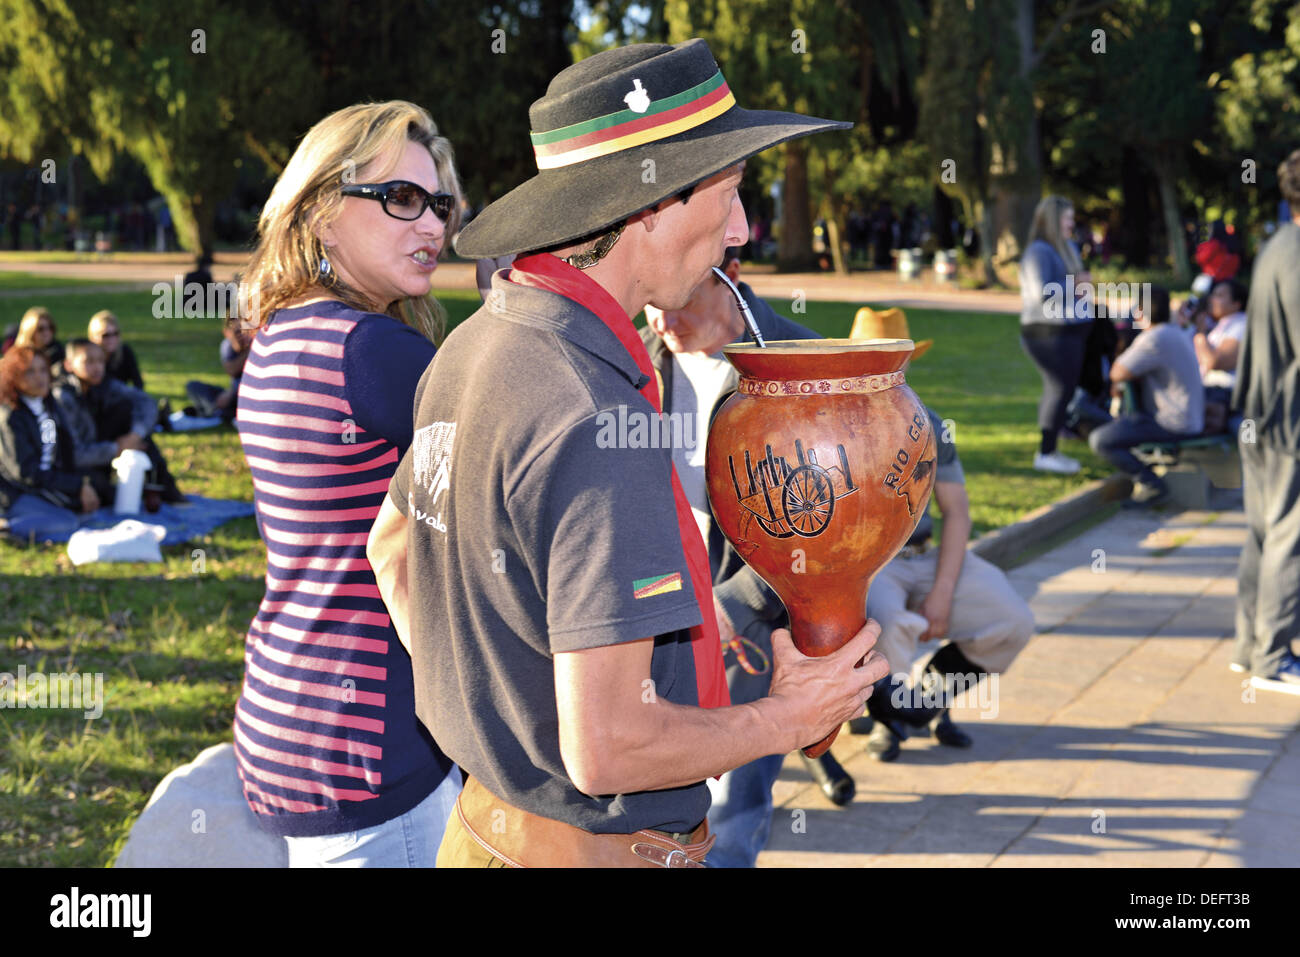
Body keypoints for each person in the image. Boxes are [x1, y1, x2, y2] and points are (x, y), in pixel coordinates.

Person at [368, 39, 886, 868]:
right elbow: (609, 747)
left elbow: (391, 546)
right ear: (650, 205)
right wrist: (787, 717)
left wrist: (504, 708)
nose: (744, 229)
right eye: (732, 192)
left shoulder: (476, 344)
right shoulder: (595, 412)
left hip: (485, 829)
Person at [231, 100, 464, 866]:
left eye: (440, 204)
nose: (431, 224)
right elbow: (521, 483)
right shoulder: (375, 351)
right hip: (373, 740)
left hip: (288, 718)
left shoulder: (280, 334)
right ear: (325, 212)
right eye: (400, 199)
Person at [640, 248, 853, 868]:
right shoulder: (634, 361)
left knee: (732, 812)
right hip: (661, 609)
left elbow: (832, 523)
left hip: (753, 622)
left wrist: (738, 602)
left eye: (675, 301)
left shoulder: (798, 360)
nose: (660, 319)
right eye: (650, 304)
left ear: (727, 273)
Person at [851, 319, 1035, 760]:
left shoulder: (927, 423)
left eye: (894, 359)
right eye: (872, 359)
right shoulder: (836, 425)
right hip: (872, 565)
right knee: (889, 625)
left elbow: (957, 513)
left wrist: (943, 590)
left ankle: (930, 702)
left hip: (926, 554)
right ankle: (886, 720)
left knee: (1012, 620)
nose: (884, 371)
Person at [1231, 148, 1300, 693]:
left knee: (1262, 531)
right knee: (1288, 535)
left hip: (1260, 411)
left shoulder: (1277, 244)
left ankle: (1249, 648)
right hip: (1287, 417)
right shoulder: (1297, 250)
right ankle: (1273, 657)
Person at [1088, 287, 1205, 507]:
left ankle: (1152, 484)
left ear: (1140, 311)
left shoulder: (1153, 338)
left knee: (1101, 440)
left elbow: (1117, 372)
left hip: (1173, 423)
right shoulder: (1175, 333)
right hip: (1190, 418)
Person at [51, 338, 183, 503]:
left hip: (101, 450)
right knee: (109, 494)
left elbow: (146, 402)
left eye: (100, 361)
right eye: (89, 361)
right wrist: (117, 448)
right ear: (69, 365)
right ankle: (151, 492)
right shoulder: (63, 397)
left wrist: (135, 435)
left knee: (126, 412)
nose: (97, 367)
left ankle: (162, 488)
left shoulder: (104, 384)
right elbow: (74, 454)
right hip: (73, 465)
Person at [1019, 196, 1092, 475]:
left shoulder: (1066, 248)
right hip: (1047, 332)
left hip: (1069, 330)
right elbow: (1041, 294)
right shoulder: (1039, 252)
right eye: (1067, 219)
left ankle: (1051, 449)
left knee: (1062, 390)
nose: (1072, 224)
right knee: (1059, 389)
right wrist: (1076, 285)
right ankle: (1046, 452)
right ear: (1052, 220)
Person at [0, 347, 96, 542]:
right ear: (14, 377)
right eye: (30, 372)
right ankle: (8, 529)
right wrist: (76, 485)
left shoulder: (47, 406)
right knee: (68, 522)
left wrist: (80, 484)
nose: (40, 377)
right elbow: (25, 473)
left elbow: (54, 452)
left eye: (43, 370)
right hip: (16, 493)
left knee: (87, 510)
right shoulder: (10, 417)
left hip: (46, 484)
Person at [1191, 279, 1247, 433]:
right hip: (1214, 392)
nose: (1211, 299)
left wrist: (1200, 335)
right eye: (1213, 294)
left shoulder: (1241, 325)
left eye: (1219, 295)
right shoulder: (1221, 325)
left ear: (1236, 303)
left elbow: (1214, 361)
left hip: (1226, 395)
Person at [185, 325, 248, 422]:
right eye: (236, 332)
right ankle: (215, 412)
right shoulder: (227, 346)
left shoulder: (256, 344)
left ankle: (214, 413)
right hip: (232, 393)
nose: (240, 336)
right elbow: (231, 369)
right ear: (226, 333)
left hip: (246, 394)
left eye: (243, 331)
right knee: (192, 386)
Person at [87, 310, 144, 391]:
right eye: (105, 335)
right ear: (93, 336)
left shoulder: (125, 352)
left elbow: (138, 383)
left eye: (115, 333)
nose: (111, 339)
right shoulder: (87, 357)